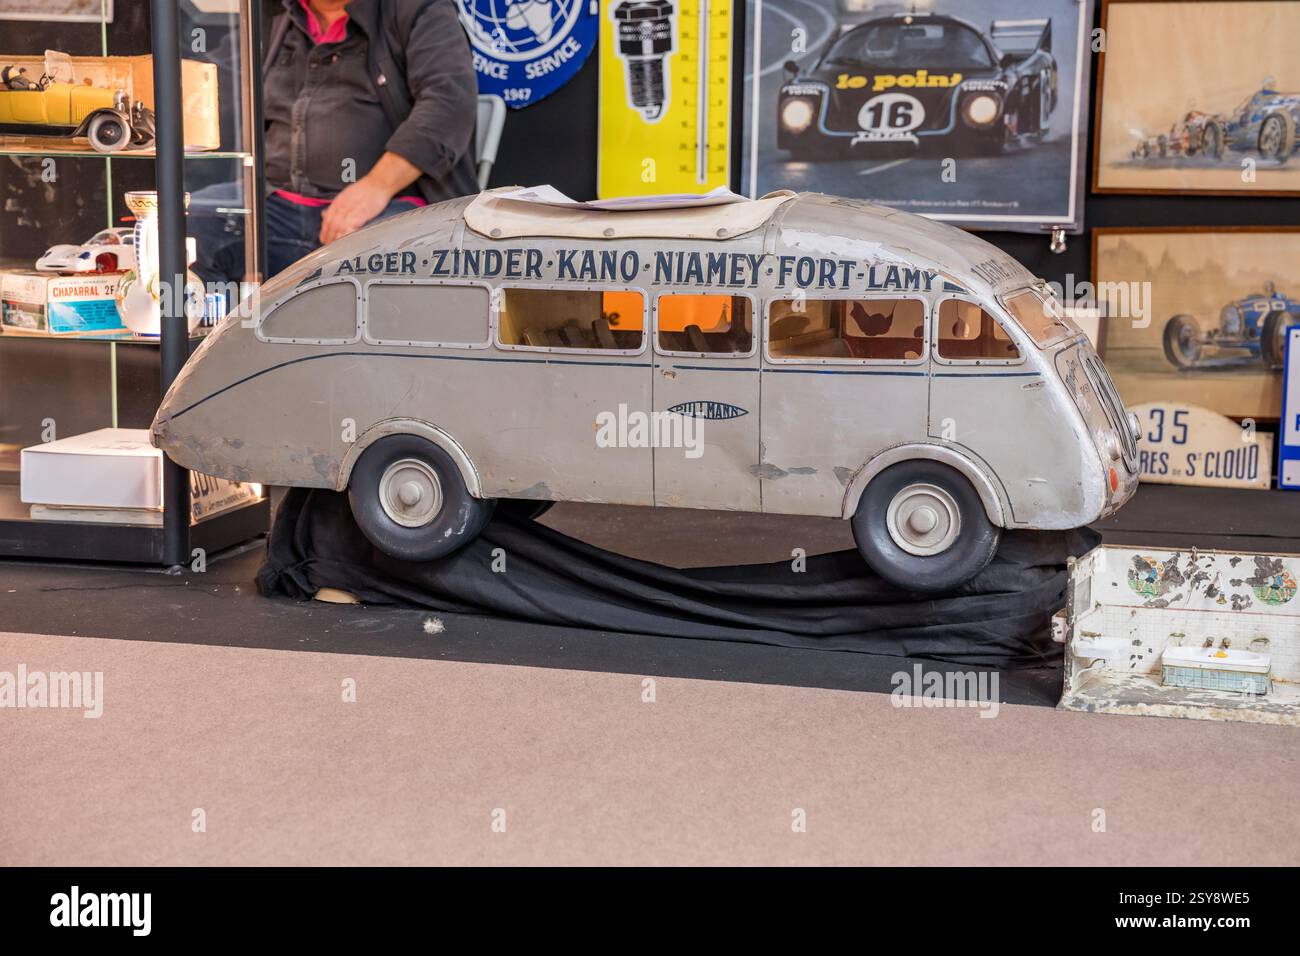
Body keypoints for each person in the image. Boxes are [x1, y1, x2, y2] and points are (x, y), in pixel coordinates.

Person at [192, 0, 478, 286]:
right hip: (273, 206)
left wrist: (376, 186)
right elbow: (210, 85)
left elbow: (449, 103)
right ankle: (215, 329)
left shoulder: (419, 9)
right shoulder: (270, 12)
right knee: (188, 224)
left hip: (389, 209)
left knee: (391, 260)